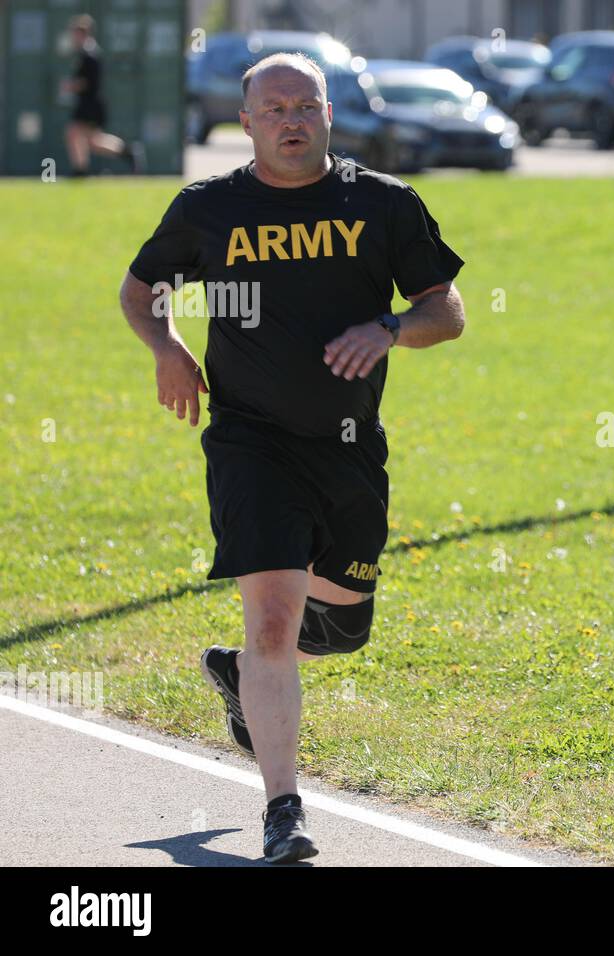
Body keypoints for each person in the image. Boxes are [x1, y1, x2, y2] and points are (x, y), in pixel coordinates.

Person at [117, 51, 466, 863]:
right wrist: (167, 350)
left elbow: (443, 311)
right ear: (245, 122)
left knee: (340, 632)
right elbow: (141, 292)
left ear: (329, 114)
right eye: (273, 108)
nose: (291, 120)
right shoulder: (208, 210)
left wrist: (386, 330)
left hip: (348, 448)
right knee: (272, 622)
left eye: (305, 105)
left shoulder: (381, 204)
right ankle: (284, 811)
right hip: (249, 440)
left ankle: (242, 678)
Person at [62, 15, 141, 175]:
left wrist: (70, 86)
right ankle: (127, 152)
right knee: (93, 141)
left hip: (90, 104)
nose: (73, 38)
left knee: (73, 134)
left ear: (83, 34)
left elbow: (88, 82)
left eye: (75, 34)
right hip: (89, 103)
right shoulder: (86, 53)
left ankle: (80, 170)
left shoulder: (89, 55)